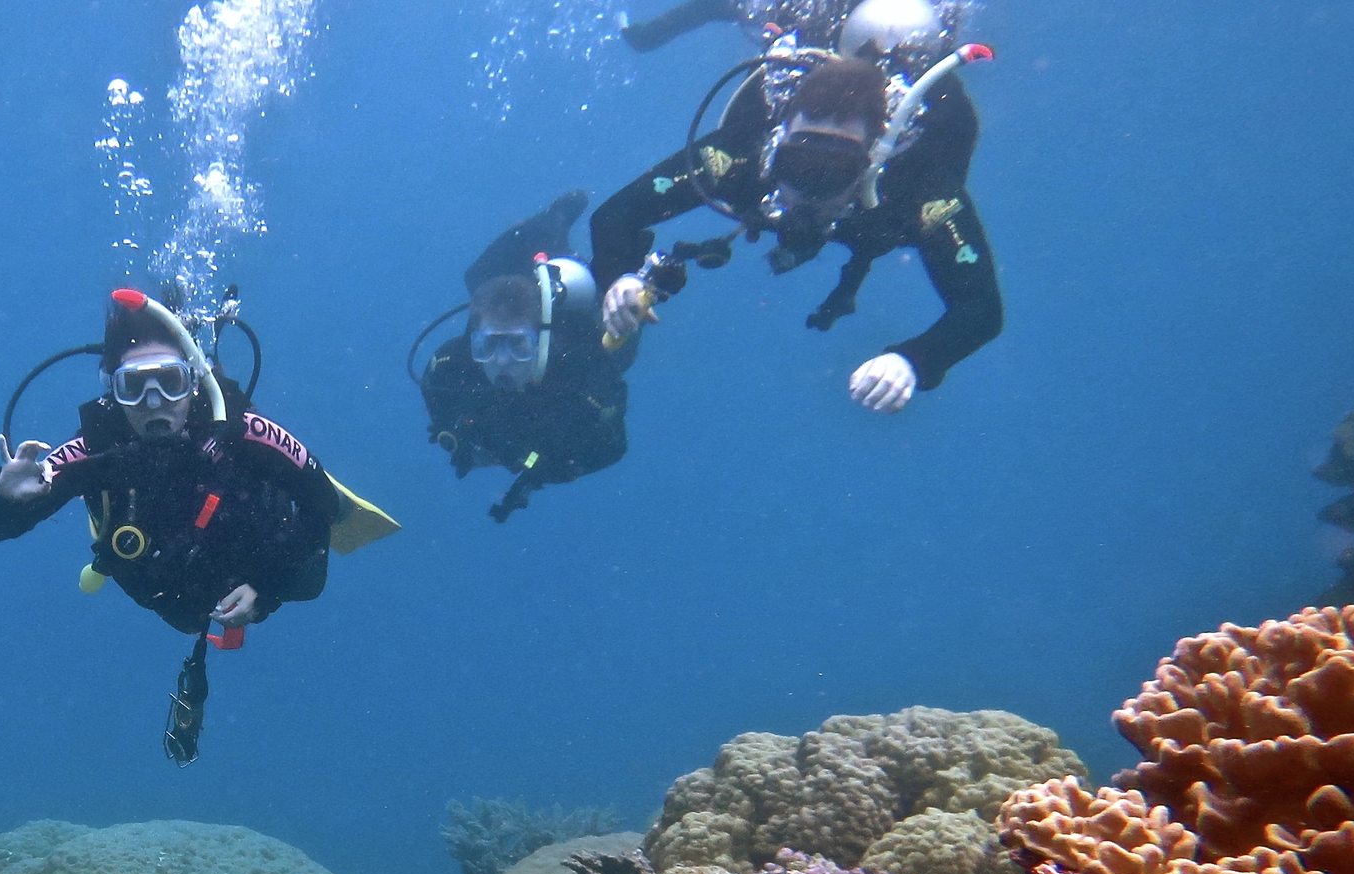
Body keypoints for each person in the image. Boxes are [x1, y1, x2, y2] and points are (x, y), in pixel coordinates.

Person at [0, 287, 365, 763]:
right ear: (112, 391)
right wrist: (4, 498)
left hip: (249, 562)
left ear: (194, 381)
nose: (154, 402)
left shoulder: (240, 430)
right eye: (133, 386)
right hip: (164, 588)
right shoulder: (94, 450)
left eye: (170, 381)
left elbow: (321, 505)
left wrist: (267, 588)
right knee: (179, 604)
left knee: (309, 579)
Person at [590, 0, 1001, 414]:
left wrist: (912, 361)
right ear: (777, 142)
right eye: (798, 165)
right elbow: (614, 217)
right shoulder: (744, 151)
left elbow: (980, 308)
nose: (809, 191)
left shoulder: (916, 183)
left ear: (874, 161)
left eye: (835, 171)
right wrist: (620, 277)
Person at [416, 189, 635, 522]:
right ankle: (552, 224)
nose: (501, 361)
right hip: (521, 308)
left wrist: (544, 470)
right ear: (473, 343)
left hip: (585, 323)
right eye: (488, 347)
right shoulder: (449, 368)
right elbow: (435, 396)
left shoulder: (583, 373)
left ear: (541, 342)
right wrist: (459, 434)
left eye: (517, 346)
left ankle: (577, 243)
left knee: (620, 339)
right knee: (481, 279)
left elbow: (611, 448)